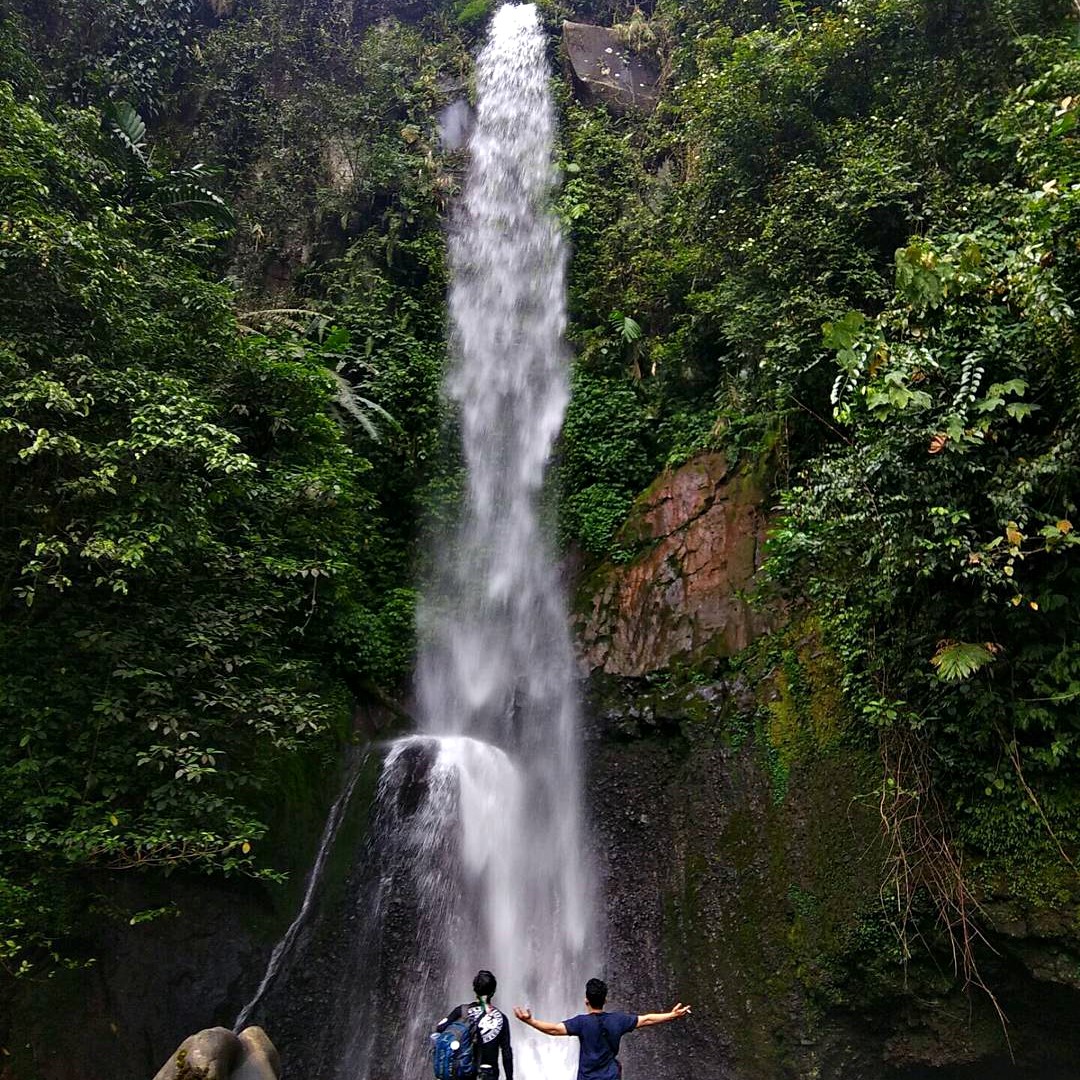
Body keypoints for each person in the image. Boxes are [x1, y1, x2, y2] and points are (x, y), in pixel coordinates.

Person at [513, 978, 690, 1080]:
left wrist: (530, 1021)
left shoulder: (581, 1023)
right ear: (605, 1000)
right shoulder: (618, 1020)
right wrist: (671, 1015)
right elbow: (648, 1019)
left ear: (586, 1000)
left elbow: (553, 1030)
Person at [435, 969, 514, 1080]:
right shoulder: (502, 1018)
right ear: (493, 991)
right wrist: (509, 1078)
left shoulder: (461, 1011)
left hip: (464, 1072)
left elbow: (440, 1029)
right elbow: (506, 1053)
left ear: (474, 989)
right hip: (488, 1074)